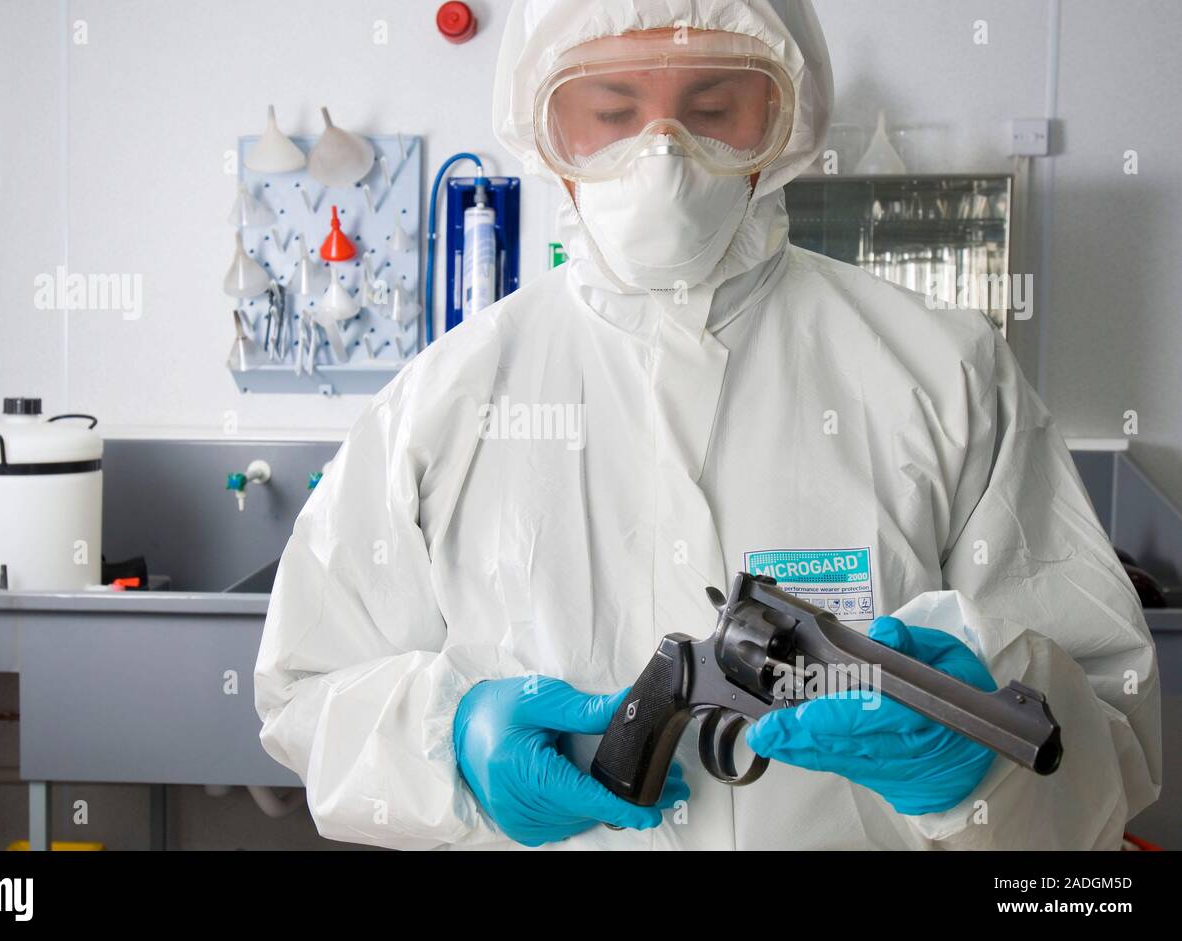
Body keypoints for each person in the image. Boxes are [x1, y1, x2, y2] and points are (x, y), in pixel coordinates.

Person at [254, 0, 1161, 850]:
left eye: (714, 105)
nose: (663, 156)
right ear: (543, 131)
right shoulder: (441, 401)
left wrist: (978, 775)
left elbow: (1111, 740)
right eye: (609, 111)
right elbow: (306, 694)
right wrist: (447, 743)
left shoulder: (946, 373)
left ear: (789, 119)